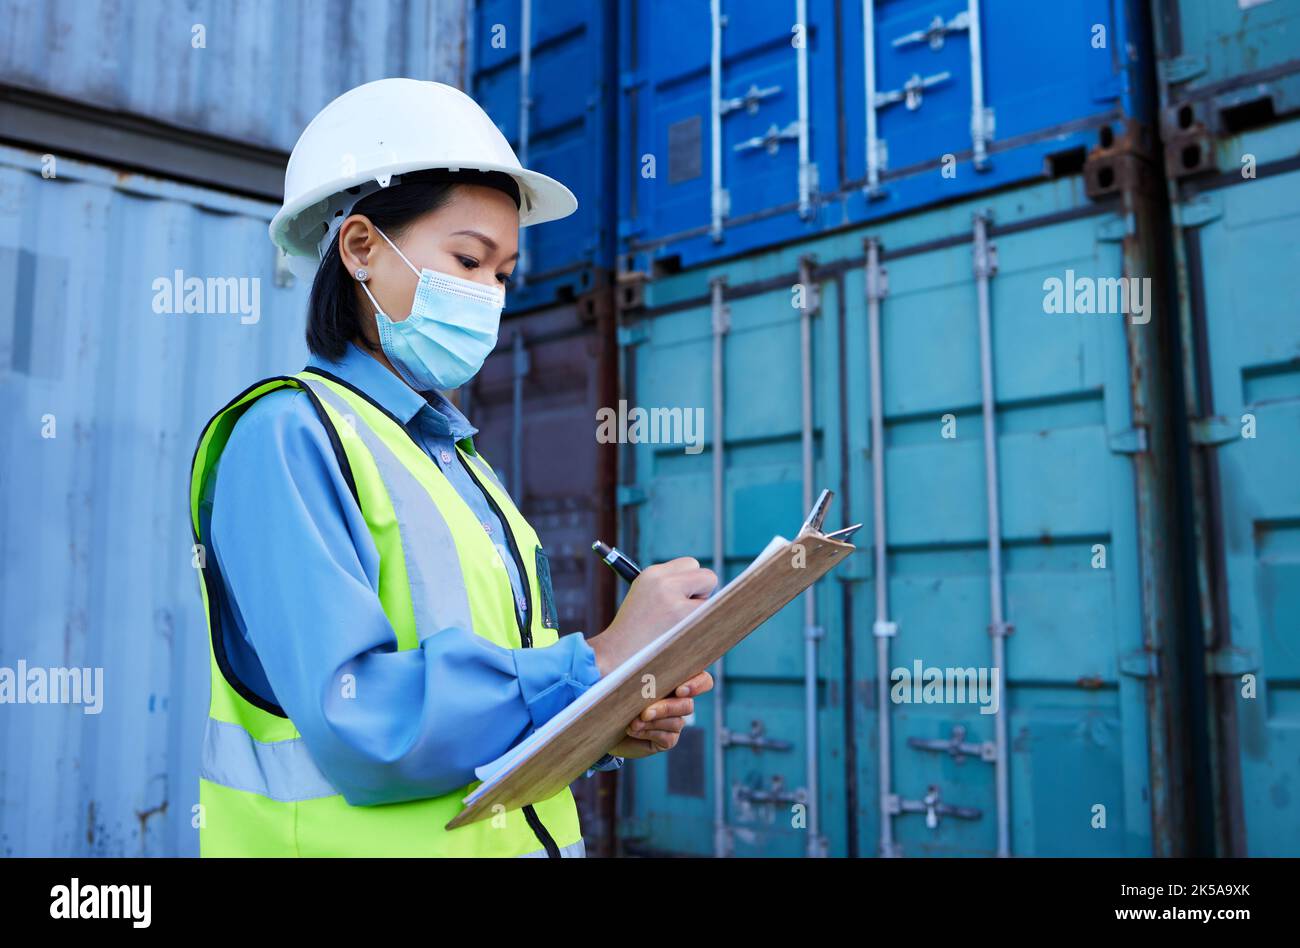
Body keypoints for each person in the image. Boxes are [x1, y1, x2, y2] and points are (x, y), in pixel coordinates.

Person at [189, 78, 715, 857]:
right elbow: (359, 723)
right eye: (469, 260)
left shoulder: (452, 457)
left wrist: (605, 716)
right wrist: (600, 659)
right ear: (362, 247)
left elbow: (488, 712)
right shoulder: (285, 437)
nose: (490, 296)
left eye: (503, 275)